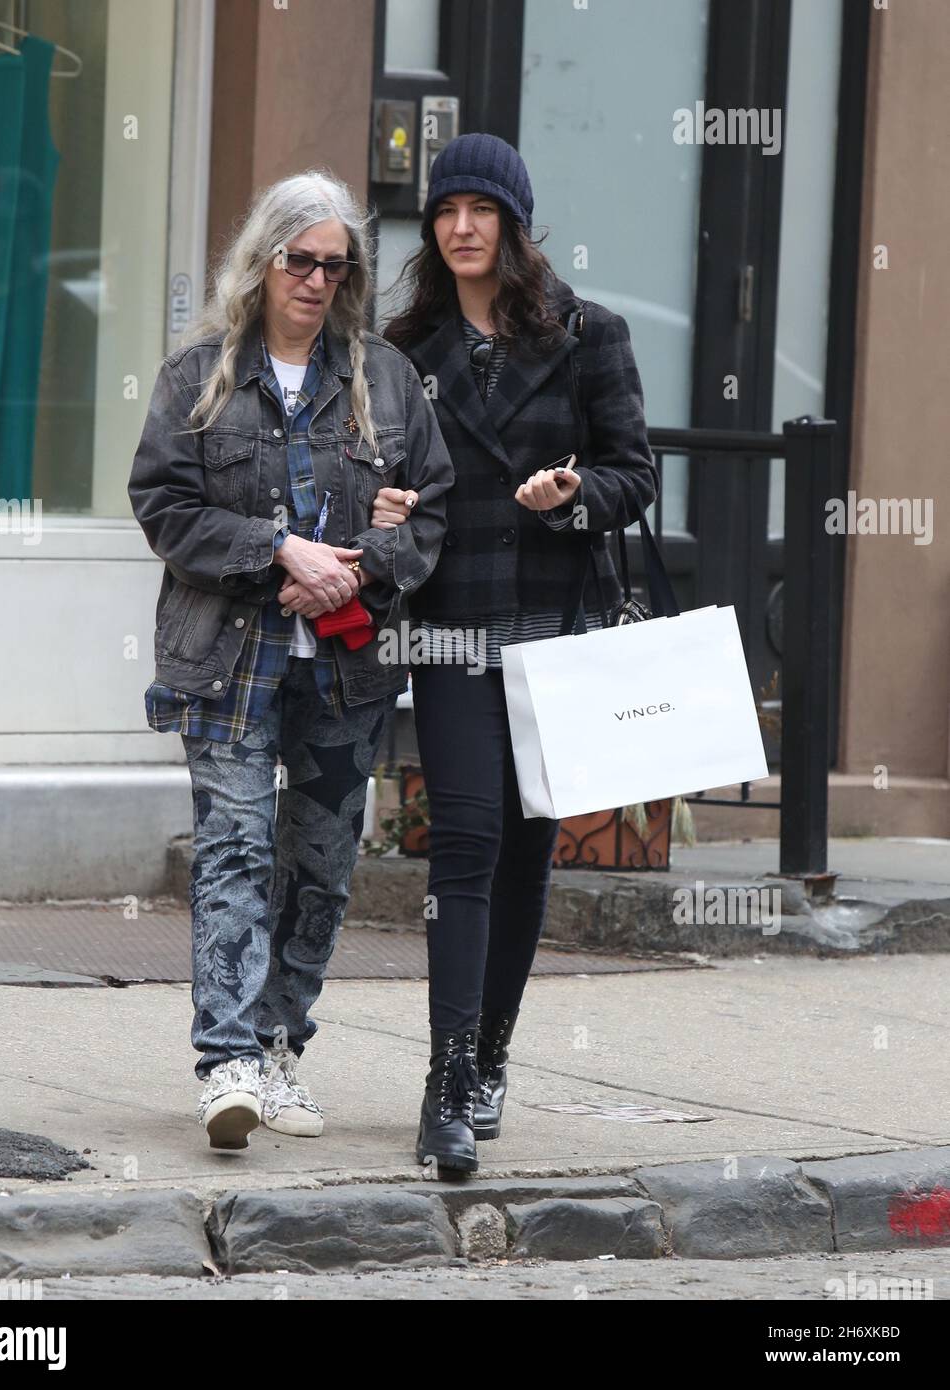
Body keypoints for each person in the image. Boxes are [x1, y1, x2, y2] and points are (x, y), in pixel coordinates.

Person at [128, 170, 452, 1151]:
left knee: (319, 863)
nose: (314, 280)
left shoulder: (385, 381)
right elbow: (165, 506)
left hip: (343, 660)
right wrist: (277, 549)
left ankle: (278, 1046)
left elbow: (427, 505)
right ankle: (226, 1061)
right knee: (234, 846)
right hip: (228, 651)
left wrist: (360, 567)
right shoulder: (200, 378)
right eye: (297, 260)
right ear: (263, 262)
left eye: (332, 265)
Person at [379, 133, 658, 1172]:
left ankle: (492, 1053)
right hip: (453, 626)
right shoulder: (405, 350)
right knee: (464, 841)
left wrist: (576, 494)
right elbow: (381, 474)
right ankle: (445, 1085)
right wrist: (385, 504)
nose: (460, 227)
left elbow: (635, 472)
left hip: (552, 626)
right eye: (445, 210)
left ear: (513, 225)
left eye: (480, 211)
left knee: (529, 849)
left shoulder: (590, 337)